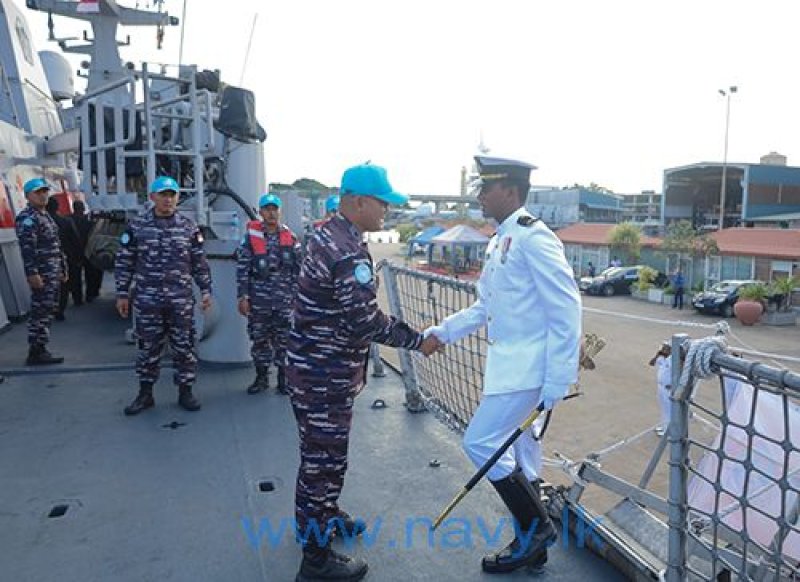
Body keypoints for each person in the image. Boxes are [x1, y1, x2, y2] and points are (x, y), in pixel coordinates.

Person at [426, 155, 582, 574]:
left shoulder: (534, 238)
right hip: (508, 367)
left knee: (480, 442)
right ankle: (534, 544)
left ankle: (537, 528)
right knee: (524, 456)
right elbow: (486, 307)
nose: (479, 195)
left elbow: (566, 308)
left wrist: (559, 379)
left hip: (529, 371)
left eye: (486, 188)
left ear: (511, 191)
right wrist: (442, 331)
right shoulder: (501, 239)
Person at [288, 162, 441, 581]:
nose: (386, 212)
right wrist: (418, 340)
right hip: (325, 376)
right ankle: (315, 561)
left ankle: (319, 518)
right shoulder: (347, 249)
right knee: (325, 464)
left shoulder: (326, 233)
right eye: (383, 203)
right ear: (358, 202)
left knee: (315, 457)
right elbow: (365, 321)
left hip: (311, 368)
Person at [114, 176, 213, 416]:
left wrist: (207, 290)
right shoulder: (137, 227)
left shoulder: (189, 227)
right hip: (148, 299)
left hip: (180, 299)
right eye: (163, 194)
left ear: (177, 197)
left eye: (172, 194)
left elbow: (199, 262)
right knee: (148, 347)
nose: (168, 199)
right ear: (152, 197)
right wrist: (122, 293)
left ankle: (185, 391)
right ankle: (145, 394)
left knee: (184, 346)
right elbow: (125, 262)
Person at [236, 193, 301, 395]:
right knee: (259, 339)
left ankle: (284, 380)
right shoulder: (250, 238)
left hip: (284, 299)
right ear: (261, 212)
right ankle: (261, 378)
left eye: (274, 209)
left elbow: (300, 270)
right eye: (267, 209)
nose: (271, 213)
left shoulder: (291, 238)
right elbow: (243, 268)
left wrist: (299, 298)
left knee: (285, 340)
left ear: (279, 211)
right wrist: (243, 296)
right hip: (259, 299)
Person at [15, 178, 67, 365]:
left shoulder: (45, 216)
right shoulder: (28, 218)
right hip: (42, 273)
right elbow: (27, 248)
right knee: (40, 311)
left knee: (47, 310)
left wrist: (61, 267)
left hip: (51, 272)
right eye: (38, 192)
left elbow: (55, 245)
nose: (43, 195)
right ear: (28, 196)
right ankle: (36, 351)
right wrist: (32, 273)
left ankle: (41, 347)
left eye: (45, 191)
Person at [46, 197, 83, 319]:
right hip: (67, 256)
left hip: (46, 259)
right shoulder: (66, 221)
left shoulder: (40, 222)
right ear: (58, 207)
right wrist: (79, 256)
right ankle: (62, 308)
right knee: (66, 283)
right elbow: (76, 239)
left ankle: (51, 308)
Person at [72, 200, 104, 302]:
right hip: (88, 250)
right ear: (83, 208)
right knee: (91, 274)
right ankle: (91, 294)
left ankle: (77, 298)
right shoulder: (89, 221)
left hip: (74, 251)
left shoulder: (68, 219)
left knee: (75, 276)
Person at [648, 341, 672, 436]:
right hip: (660, 387)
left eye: (665, 348)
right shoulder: (661, 358)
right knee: (663, 408)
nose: (663, 349)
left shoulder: (672, 360)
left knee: (668, 410)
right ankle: (663, 426)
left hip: (668, 388)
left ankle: (667, 431)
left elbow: (680, 373)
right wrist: (657, 355)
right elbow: (651, 363)